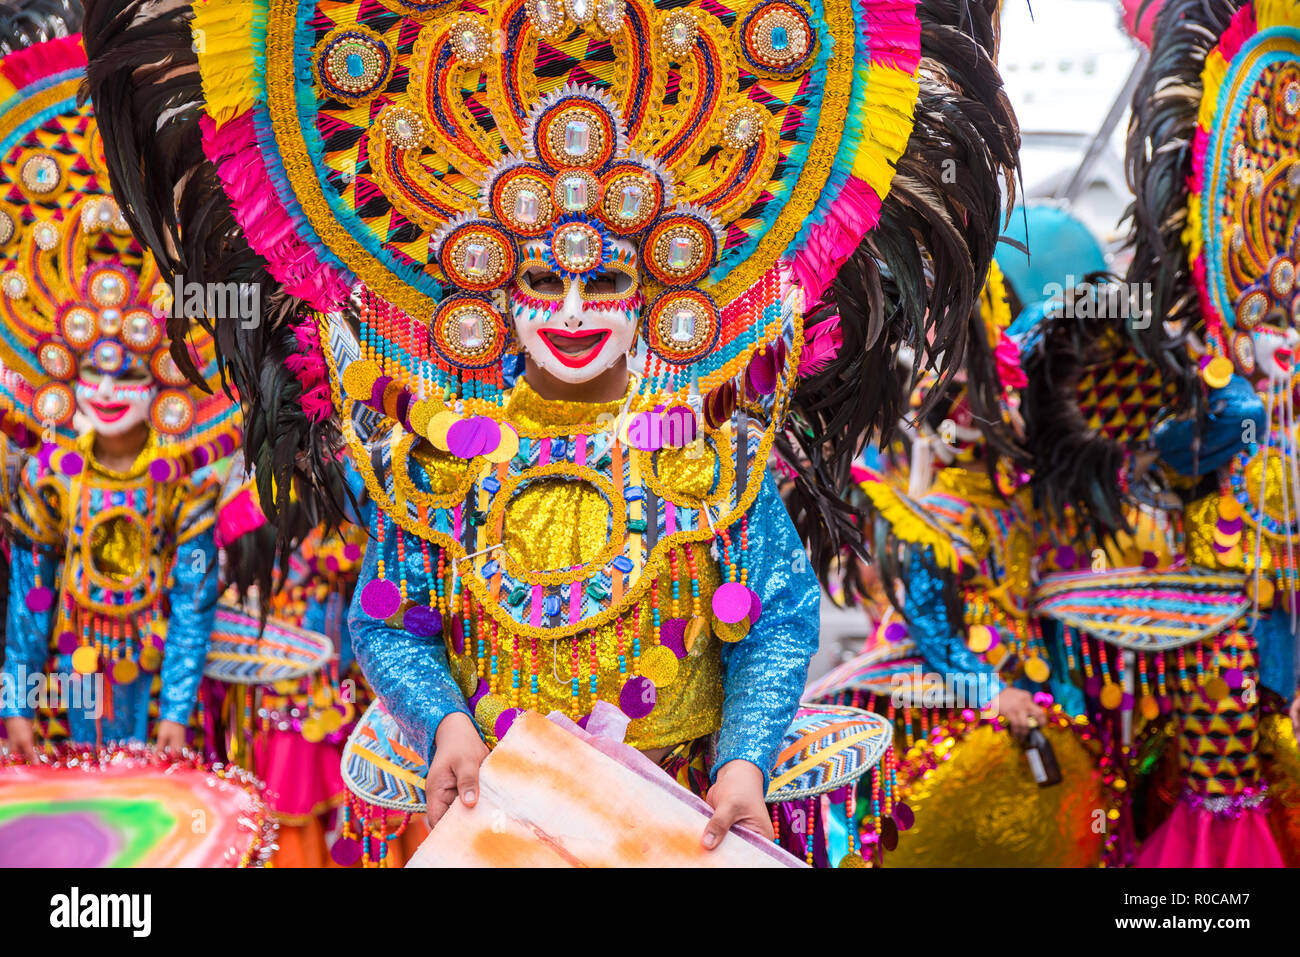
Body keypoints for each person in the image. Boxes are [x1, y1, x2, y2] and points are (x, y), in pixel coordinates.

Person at [82, 0, 1017, 856]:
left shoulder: (712, 449)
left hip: (673, 816)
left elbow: (775, 618)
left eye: (603, 279)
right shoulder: (438, 450)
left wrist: (744, 761)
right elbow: (388, 618)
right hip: (495, 819)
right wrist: (444, 725)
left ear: (653, 284)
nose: (572, 307)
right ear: (498, 290)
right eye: (542, 278)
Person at [0, 17, 240, 754]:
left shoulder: (185, 482)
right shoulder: (50, 474)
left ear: (161, 377)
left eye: (128, 368)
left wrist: (174, 709)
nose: (108, 386)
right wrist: (14, 702)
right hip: (70, 685)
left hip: (163, 694)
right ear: (64, 373)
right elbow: (31, 601)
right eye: (93, 369)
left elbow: (193, 605)